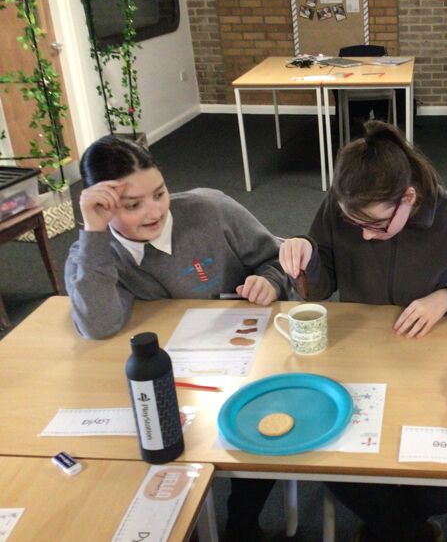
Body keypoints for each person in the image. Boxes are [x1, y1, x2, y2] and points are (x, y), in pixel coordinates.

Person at [279, 120, 447, 540]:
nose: (364, 234)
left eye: (376, 225)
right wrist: (306, 256)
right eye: (352, 222)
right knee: (326, 453)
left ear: (409, 198)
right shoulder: (339, 207)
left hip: (430, 359)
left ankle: (392, 524)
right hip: (360, 356)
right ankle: (408, 532)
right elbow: (321, 287)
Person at [65, 135, 290, 541]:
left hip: (238, 359)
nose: (153, 211)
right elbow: (97, 325)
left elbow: (280, 256)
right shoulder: (93, 253)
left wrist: (270, 281)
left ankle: (241, 518)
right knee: (144, 441)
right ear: (101, 207)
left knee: (252, 427)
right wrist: (94, 234)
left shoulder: (210, 209)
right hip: (160, 372)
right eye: (132, 205)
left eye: (159, 193)